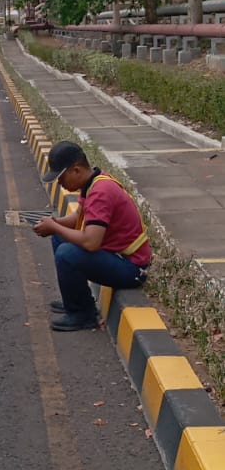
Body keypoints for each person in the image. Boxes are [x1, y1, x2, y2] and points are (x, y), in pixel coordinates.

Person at [32, 141, 152, 332]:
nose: (59, 183)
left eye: (61, 178)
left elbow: (91, 242)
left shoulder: (100, 192)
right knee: (60, 238)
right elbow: (78, 218)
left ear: (76, 170)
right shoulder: (92, 182)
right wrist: (54, 223)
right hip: (116, 256)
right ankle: (77, 301)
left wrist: (54, 226)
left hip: (132, 268)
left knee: (66, 253)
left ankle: (83, 314)